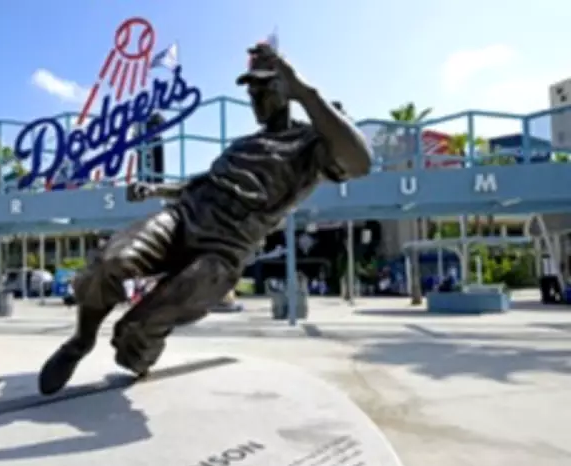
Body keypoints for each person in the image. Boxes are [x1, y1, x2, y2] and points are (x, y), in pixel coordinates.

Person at [38, 43, 373, 395]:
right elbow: (201, 184)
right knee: (111, 261)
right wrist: (156, 190)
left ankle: (140, 353)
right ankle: (80, 342)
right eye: (251, 90)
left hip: (224, 250)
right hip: (183, 219)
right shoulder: (243, 145)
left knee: (136, 333)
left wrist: (305, 91)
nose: (256, 98)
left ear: (287, 90)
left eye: (266, 87)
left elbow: (360, 162)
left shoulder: (310, 146)